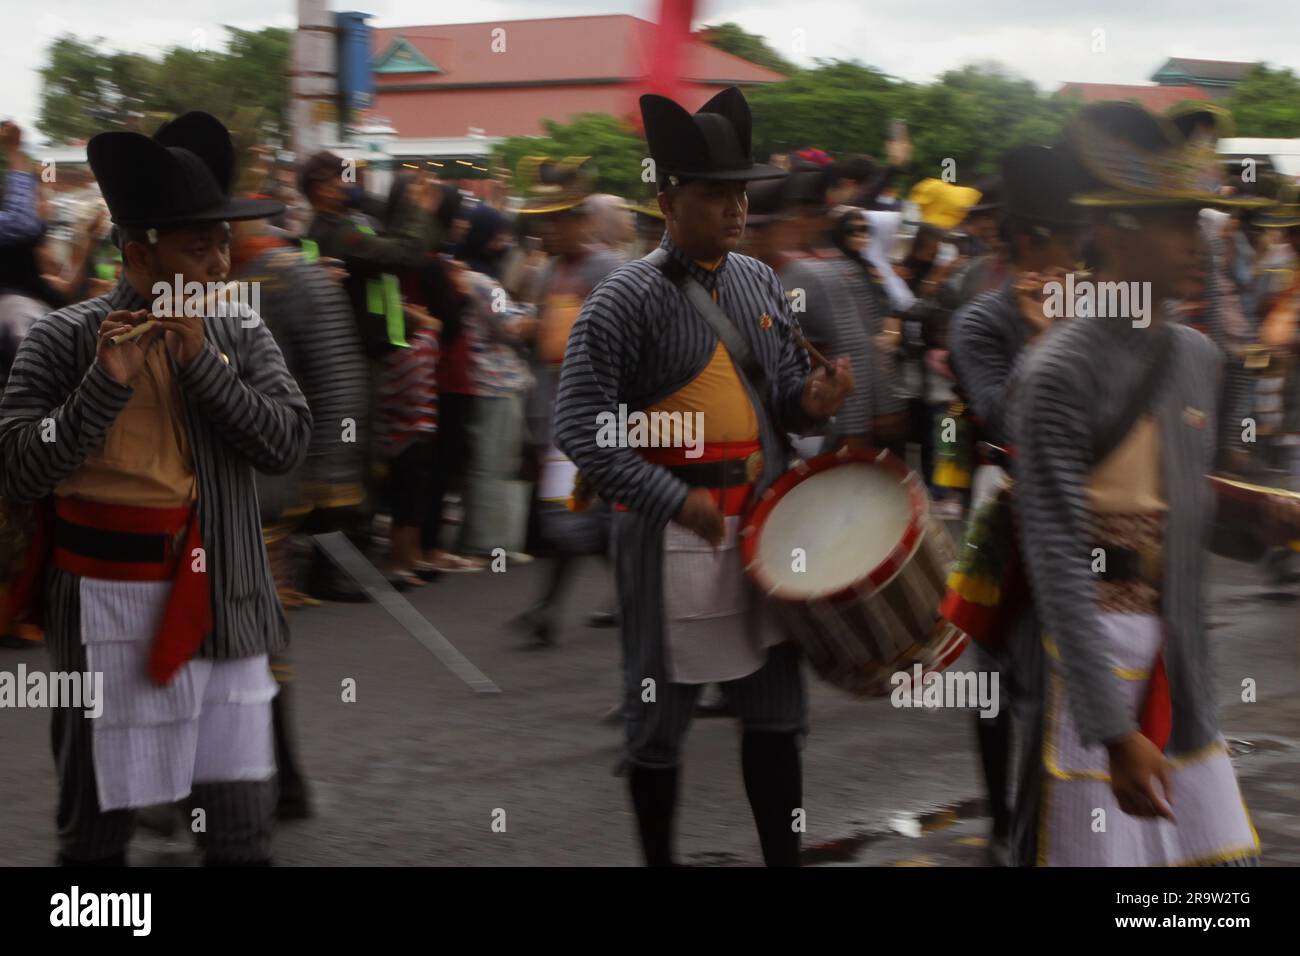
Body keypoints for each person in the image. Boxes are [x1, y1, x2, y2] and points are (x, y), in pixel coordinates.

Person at [0, 111, 311, 865]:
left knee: (238, 830)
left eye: (224, 245)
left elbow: (286, 443)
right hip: (99, 610)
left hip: (223, 599)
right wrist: (101, 389)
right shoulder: (65, 338)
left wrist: (203, 363)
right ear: (139, 252)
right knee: (97, 832)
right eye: (198, 248)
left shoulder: (239, 331)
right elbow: (17, 467)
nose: (219, 267)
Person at [553, 87, 852, 866]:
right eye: (714, 194)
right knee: (659, 726)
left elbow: (784, 397)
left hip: (759, 525)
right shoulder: (622, 297)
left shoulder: (757, 282)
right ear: (665, 199)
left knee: (777, 714)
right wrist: (671, 499)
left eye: (741, 193)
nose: (734, 209)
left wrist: (812, 403)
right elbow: (580, 427)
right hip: (669, 541)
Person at [1008, 101, 1300, 867]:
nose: (1195, 239)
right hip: (1091, 669)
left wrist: (1258, 524)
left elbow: (1186, 509)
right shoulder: (1055, 372)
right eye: (1175, 221)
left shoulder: (1198, 355)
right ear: (1116, 229)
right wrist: (1113, 730)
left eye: (1199, 219)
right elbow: (1058, 559)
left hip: (1181, 665)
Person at [946, 143, 1085, 865]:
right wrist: (1045, 339)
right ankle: (1004, 820)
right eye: (1067, 236)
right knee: (996, 670)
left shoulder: (1103, 307)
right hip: (1001, 502)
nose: (1081, 250)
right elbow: (1002, 417)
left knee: (1066, 677)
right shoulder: (979, 322)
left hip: (1085, 509)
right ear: (1030, 241)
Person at [511, 160, 624, 645]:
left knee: (573, 518)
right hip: (553, 410)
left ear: (580, 221)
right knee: (575, 519)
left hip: (591, 414)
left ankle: (553, 608)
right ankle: (556, 606)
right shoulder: (550, 272)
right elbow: (540, 344)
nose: (547, 231)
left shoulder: (609, 270)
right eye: (543, 222)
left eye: (556, 220)